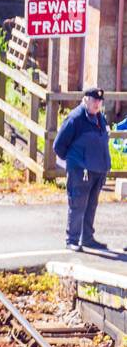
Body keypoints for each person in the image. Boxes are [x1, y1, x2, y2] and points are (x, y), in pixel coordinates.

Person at [55, 87, 112, 252]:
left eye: (99, 101)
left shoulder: (99, 118)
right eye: (94, 101)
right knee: (78, 204)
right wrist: (75, 162)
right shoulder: (75, 118)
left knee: (91, 205)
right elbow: (59, 145)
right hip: (81, 170)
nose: (97, 104)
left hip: (98, 170)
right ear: (85, 99)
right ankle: (72, 239)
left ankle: (87, 238)